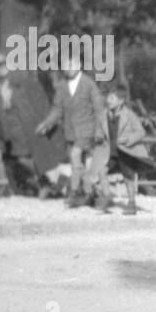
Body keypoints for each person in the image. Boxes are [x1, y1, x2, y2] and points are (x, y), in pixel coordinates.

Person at [35, 54, 111, 210]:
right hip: (70, 133)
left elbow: (99, 110)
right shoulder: (62, 87)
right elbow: (57, 109)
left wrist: (99, 130)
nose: (68, 68)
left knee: (79, 158)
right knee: (79, 164)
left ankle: (78, 193)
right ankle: (88, 194)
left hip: (87, 131)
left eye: (71, 64)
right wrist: (47, 124)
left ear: (79, 65)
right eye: (65, 65)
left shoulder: (89, 84)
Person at [0, 53, 42, 197]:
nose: (2, 68)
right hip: (0, 127)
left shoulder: (16, 83)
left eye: (3, 65)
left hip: (16, 126)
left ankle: (43, 178)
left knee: (23, 158)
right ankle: (4, 185)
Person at [104, 84, 152, 216]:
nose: (108, 100)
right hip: (110, 152)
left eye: (112, 98)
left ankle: (132, 203)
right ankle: (106, 199)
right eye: (108, 98)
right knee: (100, 172)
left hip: (125, 152)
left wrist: (127, 139)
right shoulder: (105, 114)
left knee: (128, 178)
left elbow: (141, 132)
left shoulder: (129, 115)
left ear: (121, 101)